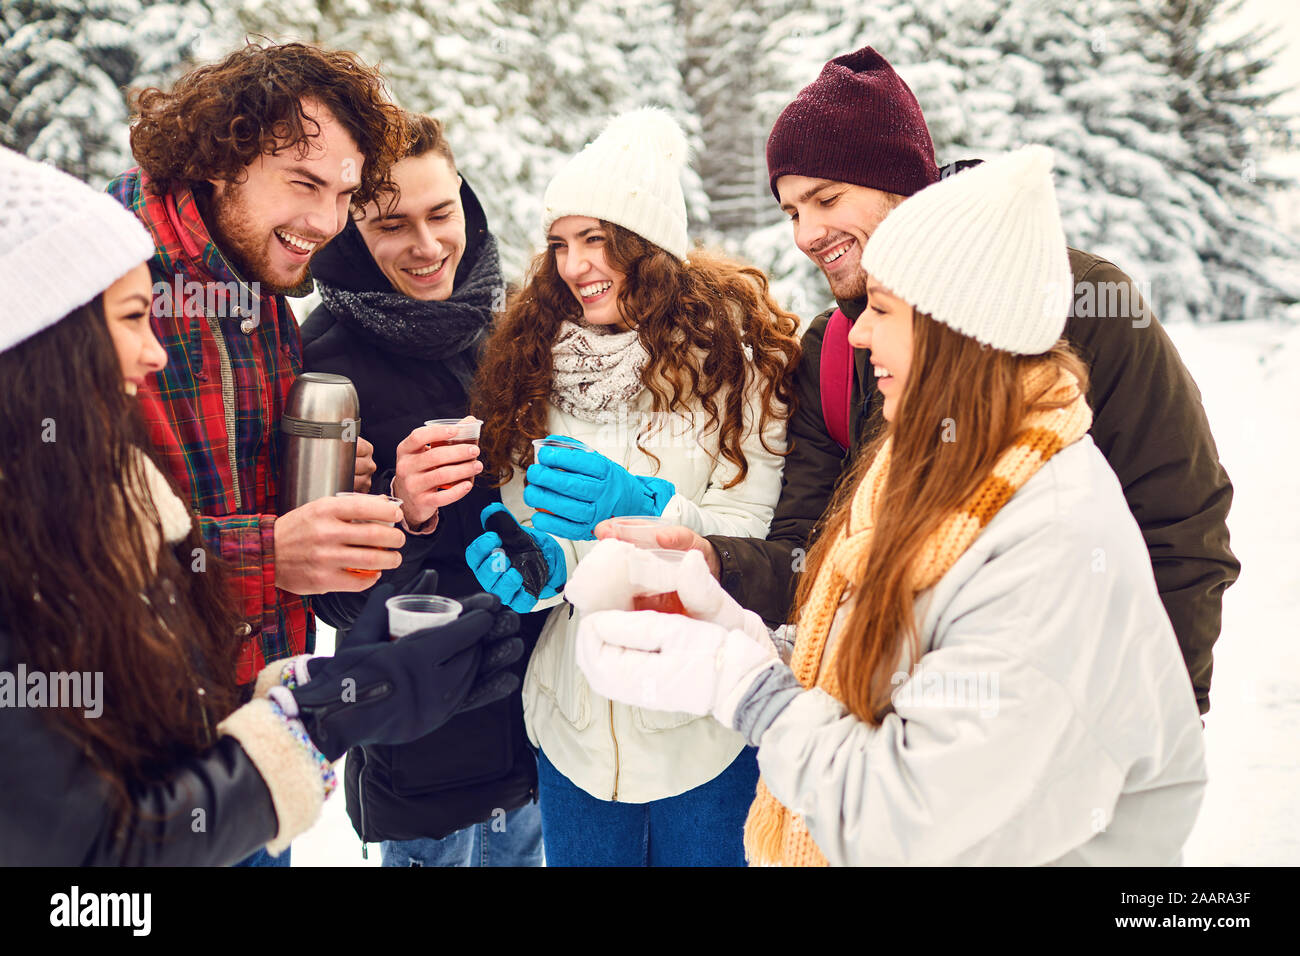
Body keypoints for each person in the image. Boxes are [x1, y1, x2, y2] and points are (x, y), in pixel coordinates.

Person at [573, 145, 1208, 866]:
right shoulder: (942, 464)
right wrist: (747, 635)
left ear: (956, 326)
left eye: (882, 308)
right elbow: (901, 659)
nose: (861, 331)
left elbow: (904, 814)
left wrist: (744, 689)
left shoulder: (1043, 536)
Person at [672, 46, 1238, 717]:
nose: (806, 234)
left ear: (900, 185)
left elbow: (1181, 527)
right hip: (898, 750)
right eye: (791, 211)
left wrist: (1154, 719)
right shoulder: (833, 349)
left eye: (825, 198)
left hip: (1063, 730)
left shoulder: (1078, 302)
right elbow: (809, 557)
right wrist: (718, 561)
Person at [0, 146, 523, 866]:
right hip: (408, 782)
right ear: (44, 337)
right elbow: (93, 861)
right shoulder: (321, 368)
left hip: (518, 733)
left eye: (443, 213)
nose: (157, 354)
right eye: (131, 317)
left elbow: (152, 705)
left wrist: (335, 689)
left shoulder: (92, 492)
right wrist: (323, 712)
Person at [463, 108, 801, 866]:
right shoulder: (531, 366)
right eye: (561, 243)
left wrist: (651, 513)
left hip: (704, 728)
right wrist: (540, 568)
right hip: (573, 727)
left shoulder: (738, 371)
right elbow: (529, 520)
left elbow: (750, 540)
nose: (575, 264)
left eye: (598, 240)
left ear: (649, 249)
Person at [106, 40, 415, 866]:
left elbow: (220, 483)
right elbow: (54, 536)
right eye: (305, 184)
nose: (326, 222)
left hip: (251, 733)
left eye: (345, 193)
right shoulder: (109, 273)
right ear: (221, 159)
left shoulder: (262, 291)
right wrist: (268, 553)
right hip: (131, 755)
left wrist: (318, 488)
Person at [301, 112, 544, 867]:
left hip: (536, 730)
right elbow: (328, 600)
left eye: (441, 214)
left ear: (465, 203)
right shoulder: (324, 368)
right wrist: (400, 514)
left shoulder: (505, 333)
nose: (429, 245)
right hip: (423, 756)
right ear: (351, 230)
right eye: (392, 225)